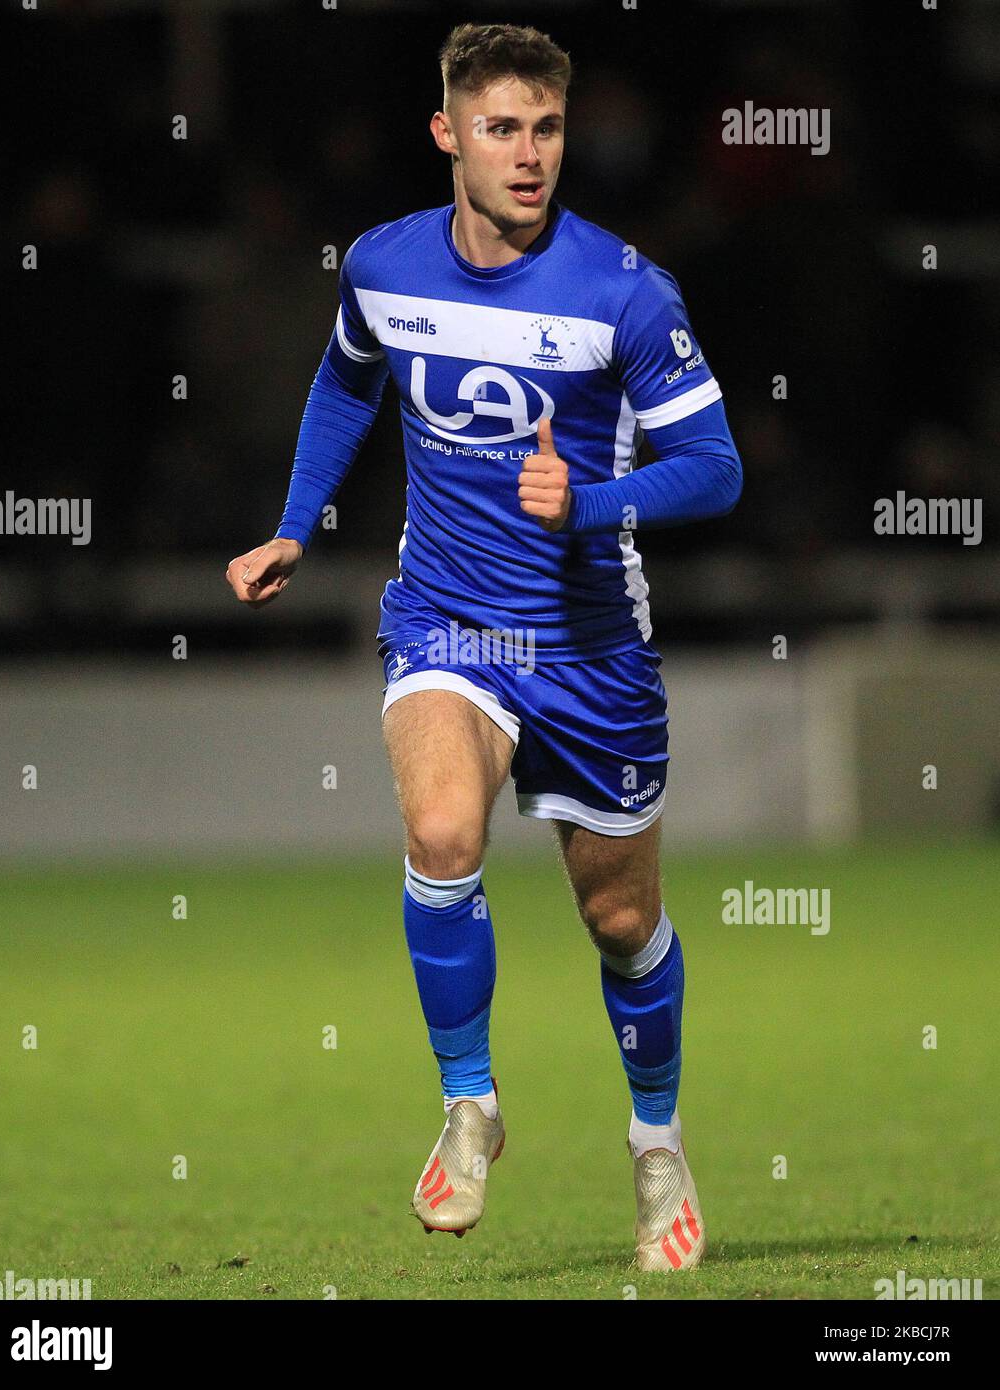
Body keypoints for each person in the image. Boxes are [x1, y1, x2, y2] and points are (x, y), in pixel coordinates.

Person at [226, 21, 742, 1272]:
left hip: (589, 646)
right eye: (502, 129)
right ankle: (472, 1105)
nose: (529, 156)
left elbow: (714, 466)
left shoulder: (625, 288)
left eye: (548, 129)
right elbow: (347, 382)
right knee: (443, 835)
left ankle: (656, 1137)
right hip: (446, 618)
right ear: (448, 134)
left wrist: (599, 504)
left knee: (620, 920)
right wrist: (297, 525)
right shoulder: (387, 264)